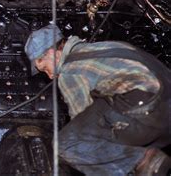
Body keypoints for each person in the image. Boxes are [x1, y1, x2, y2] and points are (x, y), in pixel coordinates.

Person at [24, 24, 170, 176]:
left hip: (143, 107)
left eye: (45, 68)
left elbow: (81, 127)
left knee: (67, 144)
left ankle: (143, 160)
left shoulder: (70, 71)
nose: (50, 76)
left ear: (52, 53)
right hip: (165, 112)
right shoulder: (101, 48)